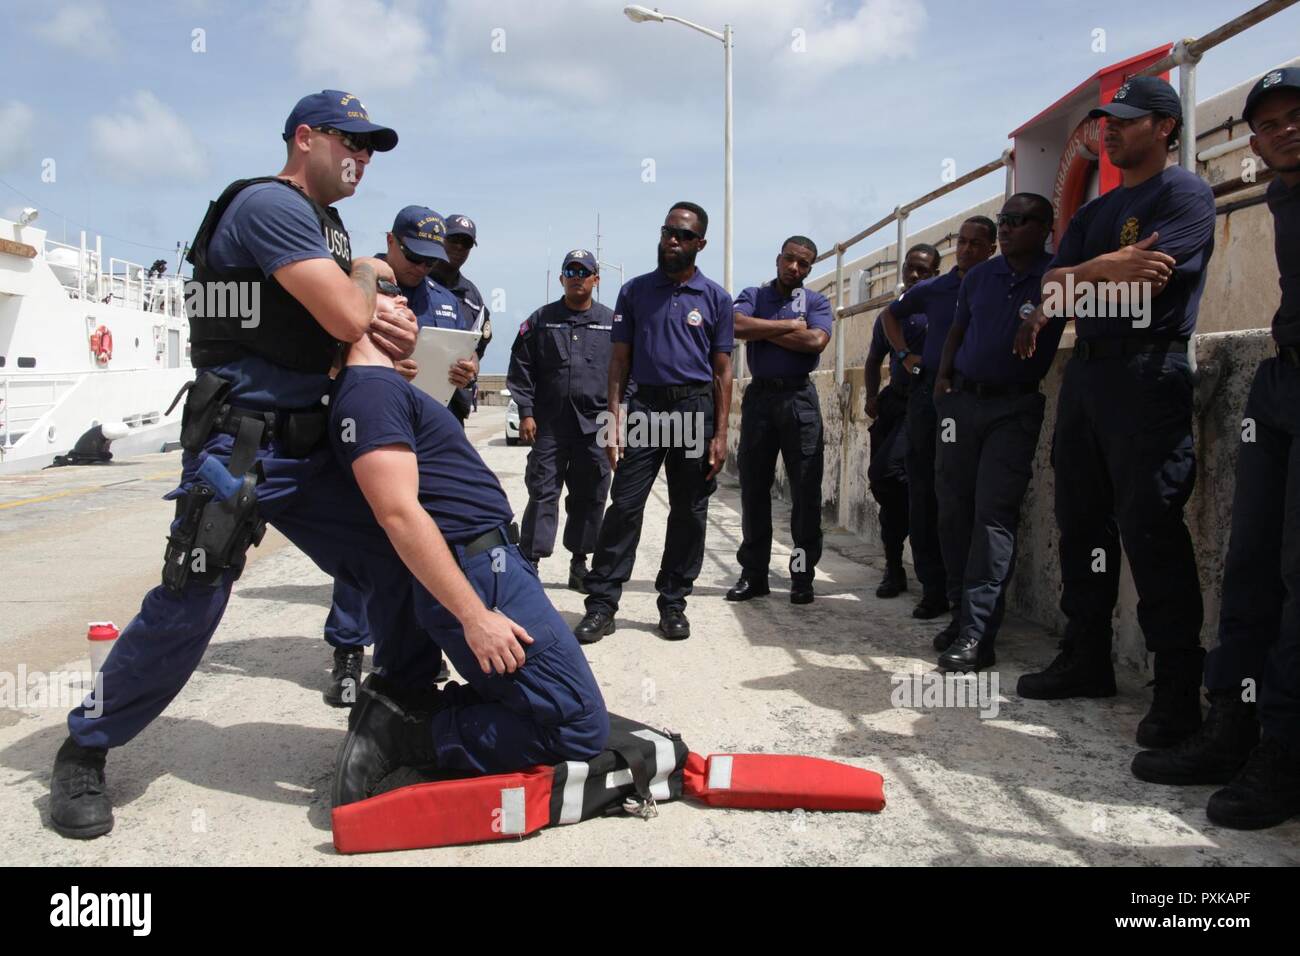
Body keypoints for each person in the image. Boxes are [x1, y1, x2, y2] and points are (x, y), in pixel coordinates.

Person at [48, 90, 422, 839]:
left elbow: (354, 331)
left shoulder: (330, 229)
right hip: (243, 443)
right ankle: (84, 748)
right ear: (303, 138)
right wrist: (369, 285)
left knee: (403, 558)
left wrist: (373, 307)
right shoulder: (269, 207)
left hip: (314, 441)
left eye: (371, 148)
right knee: (194, 595)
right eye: (348, 141)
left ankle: (400, 715)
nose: (361, 158)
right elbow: (351, 318)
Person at [329, 315, 609, 804]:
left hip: (493, 564)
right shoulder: (369, 393)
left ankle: (408, 711)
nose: (405, 303)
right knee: (579, 728)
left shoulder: (386, 384)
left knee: (544, 699)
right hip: (478, 577)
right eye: (389, 294)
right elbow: (398, 514)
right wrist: (475, 617)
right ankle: (408, 735)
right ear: (357, 313)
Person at [1015, 77, 1216, 752]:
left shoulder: (1184, 193)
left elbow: (1144, 279)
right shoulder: (1098, 211)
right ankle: (1086, 655)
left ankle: (1178, 691)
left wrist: (1089, 277)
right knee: (1083, 522)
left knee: (1150, 528)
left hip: (1148, 371)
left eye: (1127, 121)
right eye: (1107, 121)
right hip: (1090, 371)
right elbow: (1049, 287)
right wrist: (1106, 264)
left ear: (1164, 127)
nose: (1110, 130)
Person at [1130, 67, 1300, 829]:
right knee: (1250, 562)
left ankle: (1286, 752)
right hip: (1281, 379)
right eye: (1267, 124)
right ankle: (1232, 722)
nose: (1282, 132)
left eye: (1297, 117)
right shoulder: (1280, 191)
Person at [321, 205, 462, 707]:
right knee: (366, 543)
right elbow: (326, 355)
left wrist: (461, 377)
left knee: (422, 545)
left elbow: (453, 370)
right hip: (372, 431)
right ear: (390, 241)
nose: (422, 269)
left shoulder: (447, 303)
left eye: (432, 261)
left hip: (427, 437)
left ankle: (410, 651)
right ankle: (346, 650)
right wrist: (377, 374)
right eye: (414, 257)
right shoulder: (355, 286)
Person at [573, 203, 734, 642]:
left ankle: (673, 603)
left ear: (700, 244)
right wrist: (615, 418)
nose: (672, 241)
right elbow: (619, 362)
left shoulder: (716, 298)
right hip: (645, 408)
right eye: (667, 232)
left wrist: (720, 434)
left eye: (683, 235)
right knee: (624, 506)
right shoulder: (635, 292)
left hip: (692, 411)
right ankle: (602, 604)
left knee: (689, 511)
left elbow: (723, 371)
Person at [932, 195, 1063, 671]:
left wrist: (1040, 314)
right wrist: (942, 383)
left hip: (1013, 408)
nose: (1006, 229)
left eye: (1017, 221)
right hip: (961, 405)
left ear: (1044, 227)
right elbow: (956, 332)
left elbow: (1082, 291)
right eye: (1003, 221)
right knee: (953, 512)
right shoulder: (980, 276)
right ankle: (958, 613)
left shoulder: (1055, 275)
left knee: (992, 518)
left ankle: (977, 633)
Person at [882, 218, 997, 633]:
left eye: (976, 243)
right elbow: (889, 316)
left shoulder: (997, 284)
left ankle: (964, 593)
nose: (966, 249)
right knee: (924, 491)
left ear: (991, 247)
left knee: (964, 498)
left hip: (977, 394)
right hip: (930, 395)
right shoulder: (935, 288)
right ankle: (933, 588)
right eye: (961, 242)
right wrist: (905, 357)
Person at [725, 237, 833, 605]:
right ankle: (754, 574)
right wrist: (789, 325)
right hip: (759, 399)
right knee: (754, 489)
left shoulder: (817, 301)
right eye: (789, 259)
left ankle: (802, 576)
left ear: (809, 268)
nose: (794, 268)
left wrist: (766, 330)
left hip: (799, 399)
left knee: (805, 492)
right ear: (778, 259)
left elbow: (816, 341)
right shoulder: (754, 295)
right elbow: (736, 325)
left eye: (803, 264)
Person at [507, 249, 615, 589]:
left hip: (595, 427)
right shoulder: (542, 320)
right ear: (561, 278)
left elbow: (627, 372)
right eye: (571, 270)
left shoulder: (613, 322)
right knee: (542, 492)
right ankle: (531, 563)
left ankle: (580, 563)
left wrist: (620, 418)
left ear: (596, 279)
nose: (577, 276)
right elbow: (521, 367)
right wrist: (525, 411)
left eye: (584, 271)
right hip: (550, 425)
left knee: (590, 495)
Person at [861, 243, 939, 600]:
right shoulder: (891, 315)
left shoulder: (938, 309)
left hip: (927, 406)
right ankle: (893, 569)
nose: (914, 275)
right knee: (888, 489)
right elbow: (874, 358)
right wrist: (872, 396)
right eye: (910, 268)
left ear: (934, 275)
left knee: (891, 475)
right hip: (895, 404)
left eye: (923, 270)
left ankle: (931, 578)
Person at [430, 214, 491, 423]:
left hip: (453, 405)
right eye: (453, 239)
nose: (458, 247)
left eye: (465, 243)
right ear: (440, 239)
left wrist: (472, 368)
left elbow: (477, 348)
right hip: (411, 395)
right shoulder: (416, 279)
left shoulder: (472, 296)